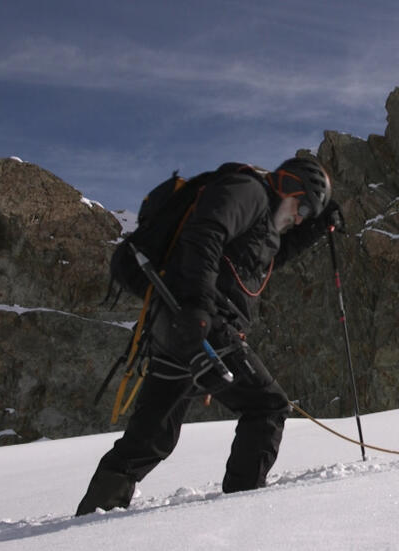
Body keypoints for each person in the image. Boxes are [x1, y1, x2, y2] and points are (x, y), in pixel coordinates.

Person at [76, 156, 341, 516]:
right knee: (267, 406)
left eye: (307, 217)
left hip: (178, 326)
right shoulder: (248, 191)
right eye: (303, 208)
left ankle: (91, 519)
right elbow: (205, 233)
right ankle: (240, 515)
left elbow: (265, 260)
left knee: (151, 438)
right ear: (289, 186)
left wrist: (316, 228)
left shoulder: (262, 222)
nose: (299, 219)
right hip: (202, 324)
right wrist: (198, 309)